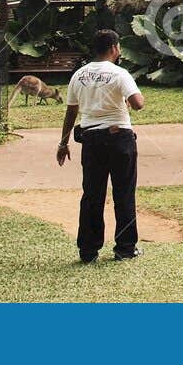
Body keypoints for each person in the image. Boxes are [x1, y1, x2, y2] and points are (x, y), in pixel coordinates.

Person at [57, 29, 146, 263]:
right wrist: (129, 99)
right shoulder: (120, 74)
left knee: (92, 195)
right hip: (120, 140)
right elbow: (138, 104)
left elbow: (71, 111)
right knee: (124, 193)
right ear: (114, 48)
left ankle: (88, 251)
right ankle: (125, 248)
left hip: (91, 141)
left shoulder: (79, 75)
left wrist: (63, 143)